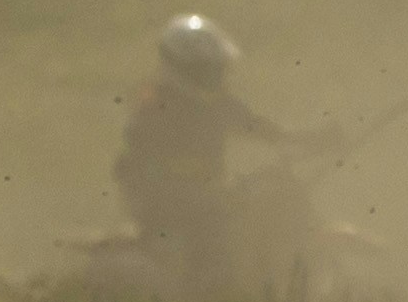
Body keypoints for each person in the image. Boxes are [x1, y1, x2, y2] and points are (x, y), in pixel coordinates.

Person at [112, 14, 291, 287]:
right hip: (162, 202)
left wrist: (306, 139)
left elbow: (254, 126)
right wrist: (208, 189)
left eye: (216, 69)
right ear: (180, 67)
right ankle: (216, 295)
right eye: (205, 70)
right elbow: (141, 168)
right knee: (220, 239)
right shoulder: (156, 108)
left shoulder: (216, 103)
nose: (214, 77)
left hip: (205, 195)